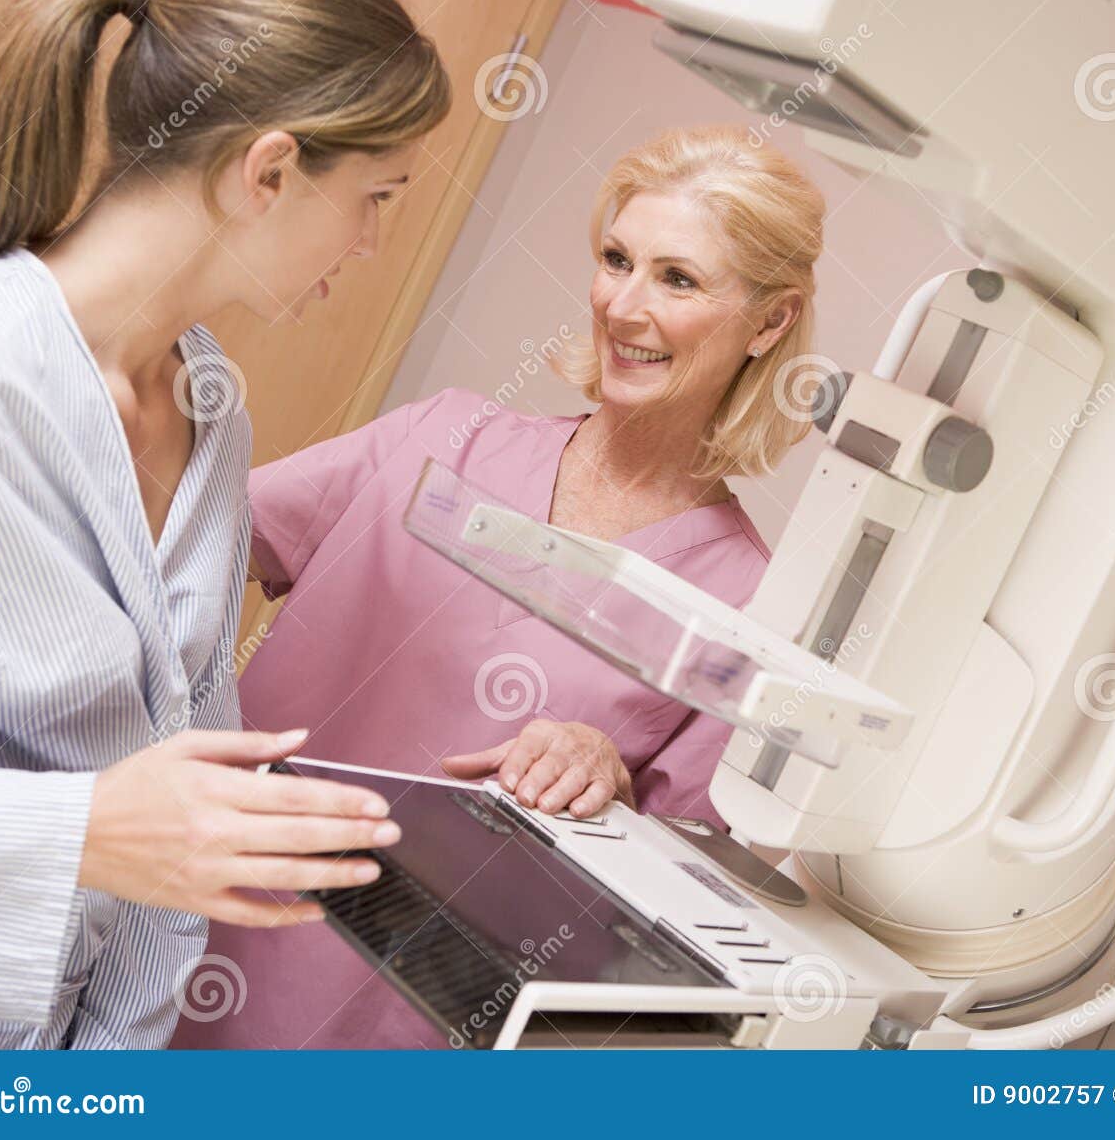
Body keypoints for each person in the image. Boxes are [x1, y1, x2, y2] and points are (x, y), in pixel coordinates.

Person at [0, 0, 449, 1048]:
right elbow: (134, 827)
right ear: (269, 171)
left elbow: (185, 800)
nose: (368, 241)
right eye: (376, 195)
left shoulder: (208, 408)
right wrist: (79, 831)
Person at [176, 124, 827, 1048]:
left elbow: (672, 911)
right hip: (189, 924)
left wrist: (609, 782)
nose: (623, 305)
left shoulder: (742, 604)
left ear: (770, 322)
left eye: (678, 279)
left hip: (409, 1025)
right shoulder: (444, 438)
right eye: (616, 260)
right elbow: (175, 544)